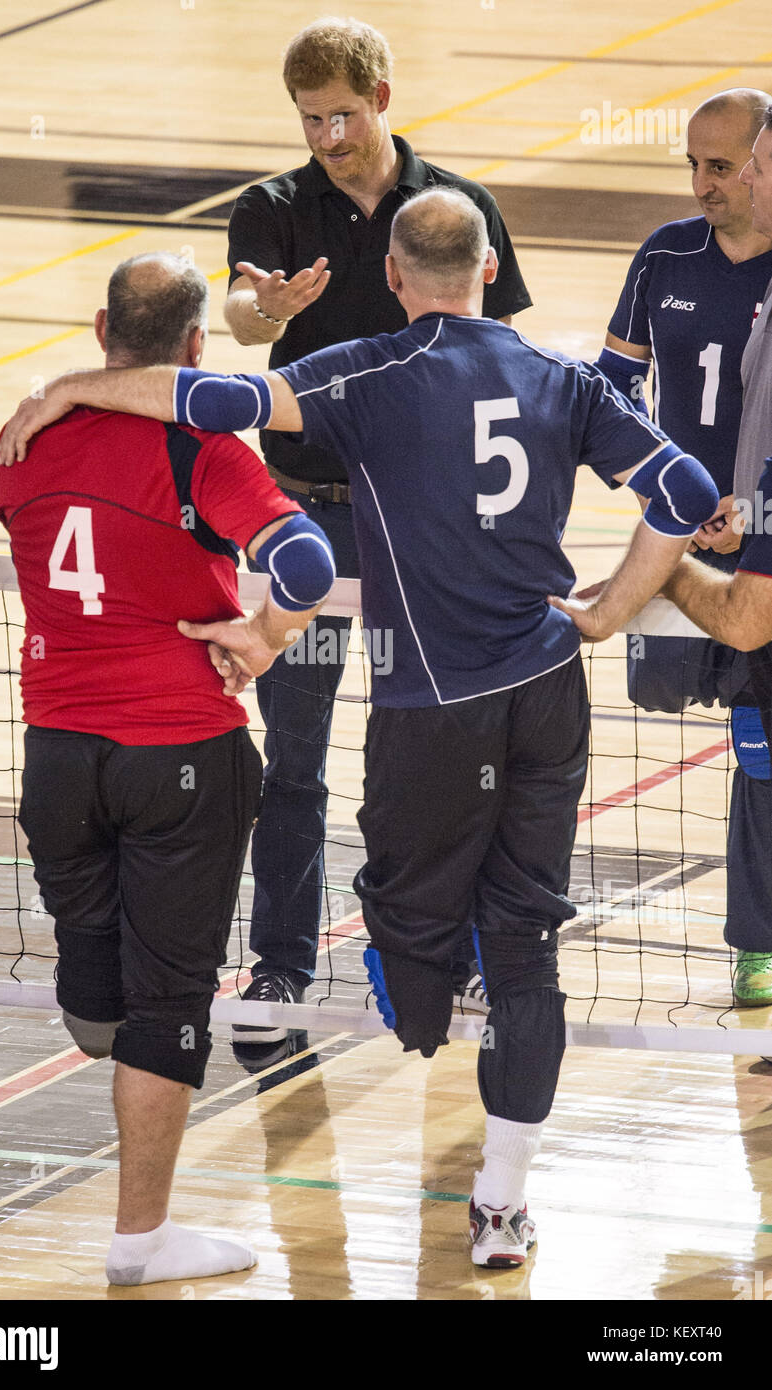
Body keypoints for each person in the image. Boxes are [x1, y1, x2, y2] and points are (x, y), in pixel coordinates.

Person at [0, 189, 720, 1268]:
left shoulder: (369, 371)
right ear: (489, 269)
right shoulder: (564, 379)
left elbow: (213, 396)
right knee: (526, 949)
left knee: (394, 914)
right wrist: (614, 604)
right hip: (545, 684)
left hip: (428, 707)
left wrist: (68, 386)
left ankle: (436, 970)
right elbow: (685, 490)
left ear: (392, 276)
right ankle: (502, 1201)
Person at [0, 253, 335, 1286]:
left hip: (55, 755)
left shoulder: (21, 442)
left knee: (103, 1010)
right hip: (179, 749)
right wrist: (265, 634)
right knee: (169, 1004)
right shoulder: (202, 450)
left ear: (102, 329)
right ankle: (141, 1240)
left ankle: (105, 1010)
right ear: (197, 348)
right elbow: (307, 562)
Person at [223, 16, 531, 1039]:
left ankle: (465, 954)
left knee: (449, 748)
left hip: (425, 526)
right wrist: (265, 313)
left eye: (342, 114)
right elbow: (239, 316)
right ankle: (278, 968)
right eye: (310, 119)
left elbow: (502, 352)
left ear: (383, 98)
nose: (326, 135)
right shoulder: (272, 210)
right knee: (295, 755)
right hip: (309, 528)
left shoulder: (453, 210)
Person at [592, 88, 772, 1006]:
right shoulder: (664, 254)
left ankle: (756, 941)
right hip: (673, 540)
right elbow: (609, 390)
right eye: (690, 166)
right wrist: (651, 484)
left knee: (757, 743)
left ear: (762, 161)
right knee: (662, 702)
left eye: (718, 167)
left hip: (763, 544)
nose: (699, 184)